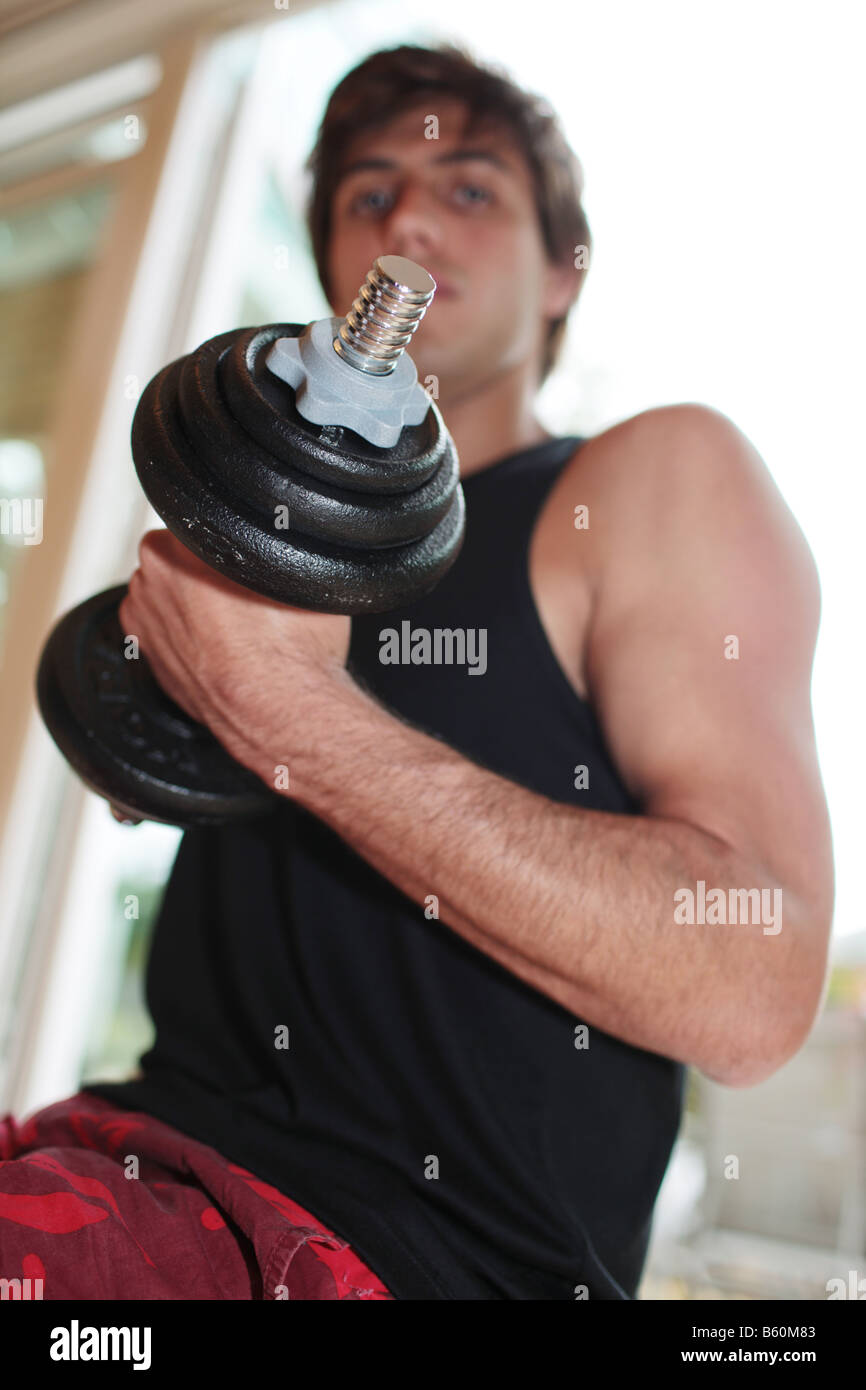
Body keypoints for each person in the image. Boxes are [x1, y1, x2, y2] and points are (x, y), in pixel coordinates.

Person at [0, 43, 833, 1301]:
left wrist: (285, 708)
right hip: (126, 1165)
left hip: (392, 1257)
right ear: (336, 262)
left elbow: (752, 979)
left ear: (562, 273)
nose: (411, 220)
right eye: (369, 195)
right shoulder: (292, 542)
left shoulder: (640, 482)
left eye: (472, 189)